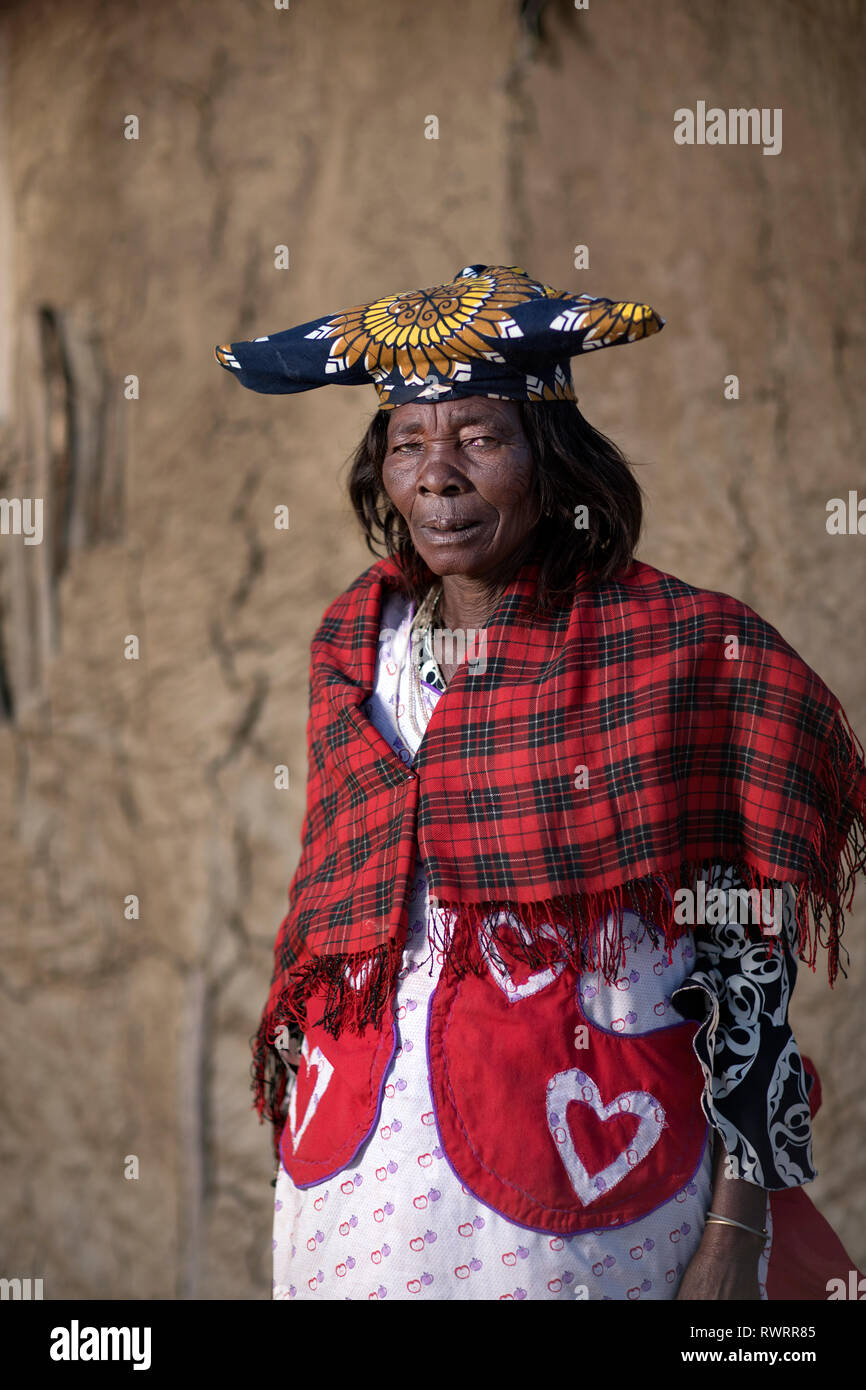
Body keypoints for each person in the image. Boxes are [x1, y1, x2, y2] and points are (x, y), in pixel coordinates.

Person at [215, 264, 866, 1301]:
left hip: (593, 1187)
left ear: (549, 458)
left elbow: (748, 957)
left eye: (478, 437)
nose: (437, 474)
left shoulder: (681, 650)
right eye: (408, 442)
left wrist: (738, 1225)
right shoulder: (353, 649)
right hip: (361, 1181)